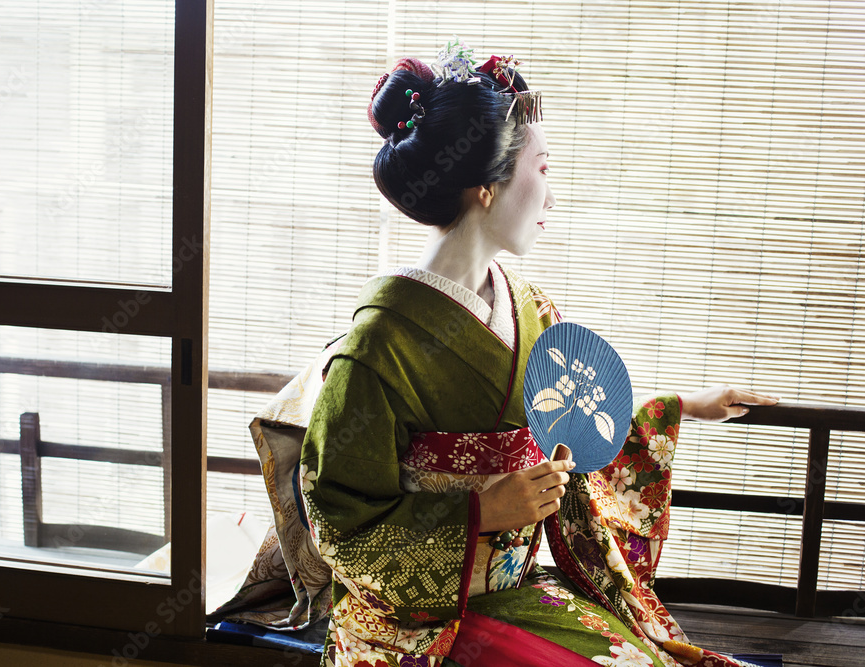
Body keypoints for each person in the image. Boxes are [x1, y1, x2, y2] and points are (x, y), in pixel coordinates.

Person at [212, 40, 779, 667]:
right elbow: (340, 524)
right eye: (542, 169)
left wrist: (679, 406)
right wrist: (480, 511)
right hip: (410, 617)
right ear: (486, 187)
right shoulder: (378, 347)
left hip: (511, 593)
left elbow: (574, 433)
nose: (552, 197)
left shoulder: (531, 308)